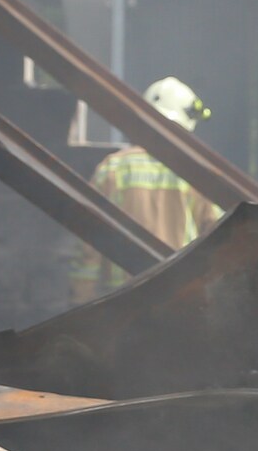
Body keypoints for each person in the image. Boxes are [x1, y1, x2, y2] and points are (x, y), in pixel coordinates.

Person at [68, 76, 225, 298]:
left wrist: (83, 302)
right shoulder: (195, 173)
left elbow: (88, 245)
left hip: (123, 301)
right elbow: (218, 237)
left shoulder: (113, 168)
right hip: (180, 299)